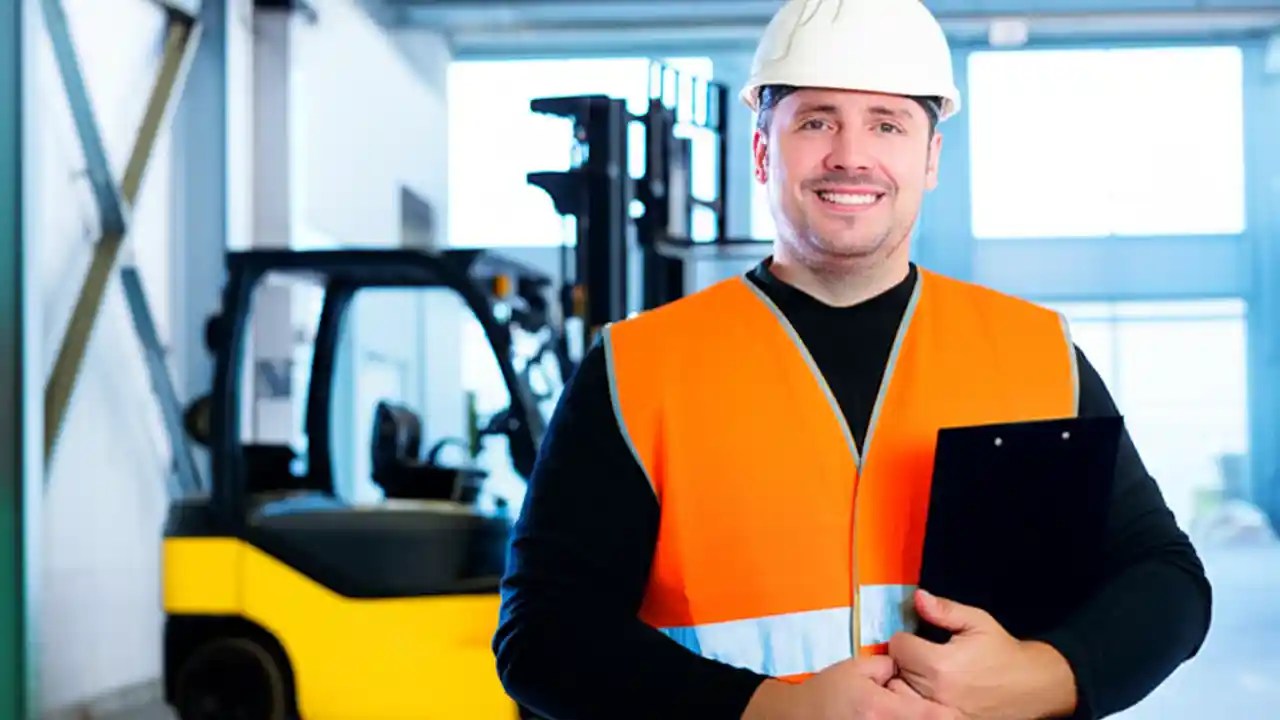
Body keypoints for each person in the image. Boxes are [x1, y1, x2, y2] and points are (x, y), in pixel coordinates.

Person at [492, 0, 1213, 718]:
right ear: (761, 149)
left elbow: (1166, 579)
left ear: (930, 156)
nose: (850, 154)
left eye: (887, 123)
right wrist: (773, 710)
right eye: (816, 120)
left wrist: (1044, 677)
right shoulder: (637, 369)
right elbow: (544, 634)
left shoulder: (1037, 354)